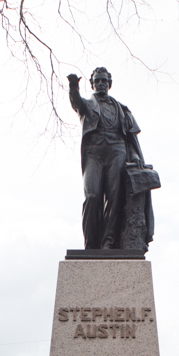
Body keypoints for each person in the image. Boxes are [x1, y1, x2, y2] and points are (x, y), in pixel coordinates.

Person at [67, 68, 149, 249]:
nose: (101, 84)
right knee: (93, 196)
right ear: (93, 84)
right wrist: (73, 87)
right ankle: (91, 244)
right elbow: (76, 103)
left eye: (104, 81)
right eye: (97, 81)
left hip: (116, 151)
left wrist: (135, 156)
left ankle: (108, 242)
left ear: (109, 84)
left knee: (114, 198)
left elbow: (130, 139)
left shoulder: (122, 109)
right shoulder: (88, 105)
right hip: (94, 153)